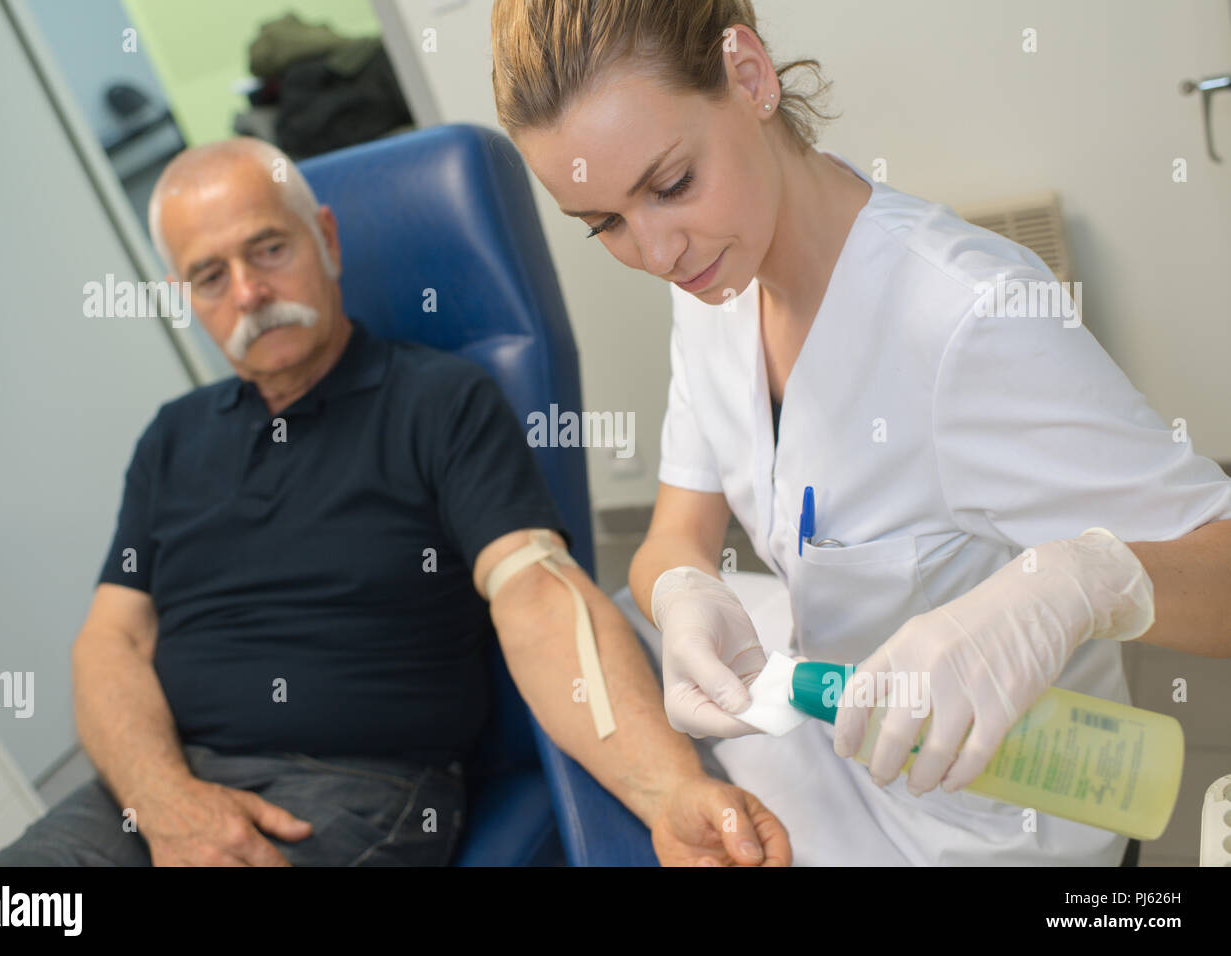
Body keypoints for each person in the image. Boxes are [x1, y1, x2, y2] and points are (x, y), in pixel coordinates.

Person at [490, 0, 1231, 865]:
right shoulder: (715, 286)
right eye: (607, 224)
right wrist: (680, 591)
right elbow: (670, 537)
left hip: (992, 824)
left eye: (670, 185)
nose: (656, 253)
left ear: (749, 77)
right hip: (829, 741)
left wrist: (1078, 583)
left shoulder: (965, 321)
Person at [0, 137, 790, 867]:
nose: (249, 292)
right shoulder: (171, 439)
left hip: (347, 791)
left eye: (268, 248)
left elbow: (542, 596)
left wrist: (668, 792)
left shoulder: (438, 402)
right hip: (148, 789)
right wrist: (162, 800)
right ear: (186, 296)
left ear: (326, 240)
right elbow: (108, 643)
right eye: (210, 275)